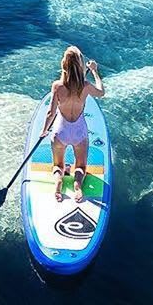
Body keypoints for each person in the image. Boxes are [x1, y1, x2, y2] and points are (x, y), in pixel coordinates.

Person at [42, 46, 104, 202]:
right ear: (81, 65)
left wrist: (44, 131)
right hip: (79, 132)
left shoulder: (57, 86)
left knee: (57, 166)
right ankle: (77, 185)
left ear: (64, 64)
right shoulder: (85, 85)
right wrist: (95, 71)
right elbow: (101, 93)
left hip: (60, 131)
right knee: (81, 167)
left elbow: (51, 113)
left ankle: (58, 182)